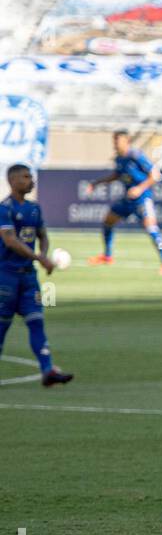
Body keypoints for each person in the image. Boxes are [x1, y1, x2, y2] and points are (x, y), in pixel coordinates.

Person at [0, 164, 72, 386]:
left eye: (31, 176)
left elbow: (43, 235)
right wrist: (41, 259)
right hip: (6, 276)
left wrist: (43, 254)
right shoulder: (5, 209)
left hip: (29, 278)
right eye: (26, 177)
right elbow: (10, 240)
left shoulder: (34, 208)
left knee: (36, 321)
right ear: (12, 181)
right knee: (2, 327)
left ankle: (48, 370)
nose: (31, 180)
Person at [88, 130, 162, 274]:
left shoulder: (136, 156)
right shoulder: (119, 159)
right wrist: (97, 183)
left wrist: (139, 189)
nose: (115, 144)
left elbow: (155, 175)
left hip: (142, 198)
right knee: (108, 220)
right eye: (114, 140)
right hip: (127, 199)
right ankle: (107, 256)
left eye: (118, 140)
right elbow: (116, 175)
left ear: (126, 141)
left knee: (151, 227)